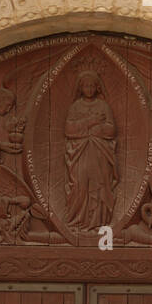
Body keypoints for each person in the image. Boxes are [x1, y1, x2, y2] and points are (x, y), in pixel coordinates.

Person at [63, 69, 118, 228]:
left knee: (99, 185)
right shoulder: (75, 107)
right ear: (80, 88)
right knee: (79, 185)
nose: (89, 89)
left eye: (92, 86)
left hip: (100, 153)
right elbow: (69, 130)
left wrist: (97, 129)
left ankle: (98, 221)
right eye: (85, 86)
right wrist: (91, 121)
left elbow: (111, 129)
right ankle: (78, 220)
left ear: (97, 87)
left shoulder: (103, 105)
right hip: (79, 153)